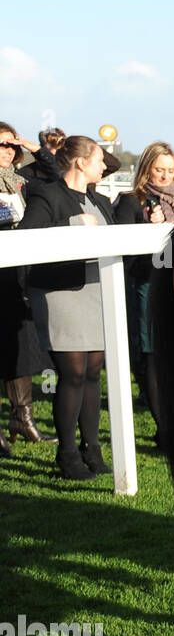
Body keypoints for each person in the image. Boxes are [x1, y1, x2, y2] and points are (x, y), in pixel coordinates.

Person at [20, 136, 116, 480]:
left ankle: (93, 450)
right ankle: (68, 454)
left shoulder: (100, 200)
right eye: (99, 160)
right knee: (73, 374)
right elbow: (28, 235)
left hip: (96, 289)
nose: (105, 167)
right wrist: (73, 226)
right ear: (80, 162)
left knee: (92, 374)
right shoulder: (47, 194)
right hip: (62, 291)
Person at [113, 141, 174, 442]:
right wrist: (148, 231)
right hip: (147, 283)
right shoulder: (131, 201)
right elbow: (125, 254)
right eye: (159, 170)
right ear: (146, 169)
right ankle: (164, 428)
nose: (165, 176)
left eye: (170, 170)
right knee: (153, 354)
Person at [0, 123, 56, 455]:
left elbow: (56, 180)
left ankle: (22, 418)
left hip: (17, 276)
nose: (6, 151)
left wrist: (33, 147)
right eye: (0, 145)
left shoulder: (20, 181)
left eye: (9, 146)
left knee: (21, 347)